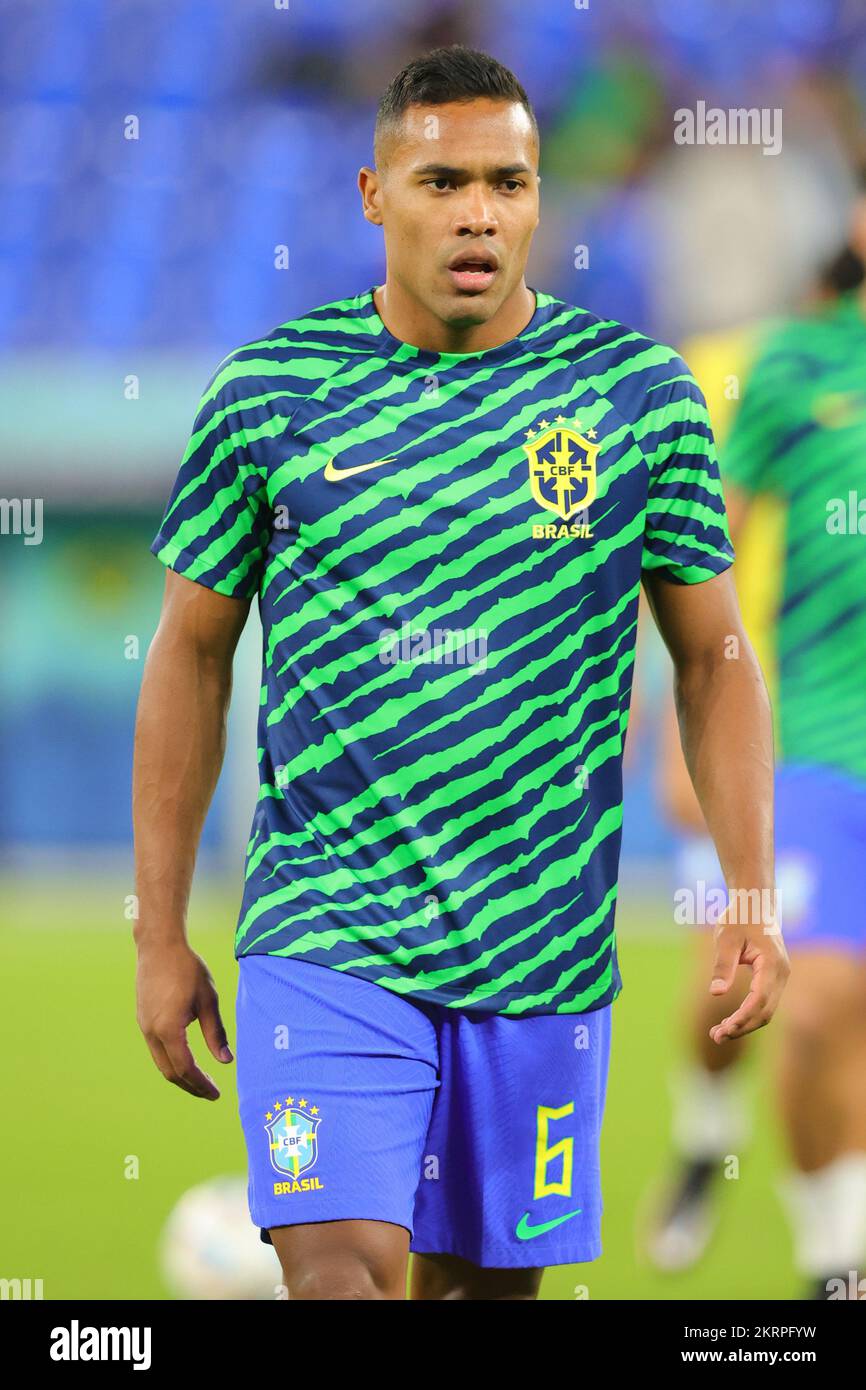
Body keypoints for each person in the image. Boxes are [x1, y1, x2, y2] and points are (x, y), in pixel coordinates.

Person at [133, 45, 788, 1301]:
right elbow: (189, 657)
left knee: (468, 1294)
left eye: (507, 181)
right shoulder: (271, 395)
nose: (477, 211)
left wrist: (745, 891)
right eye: (440, 182)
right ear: (374, 192)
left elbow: (710, 657)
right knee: (341, 1276)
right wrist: (160, 934)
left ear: (540, 197)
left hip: (538, 957)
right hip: (326, 935)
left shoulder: (636, 401)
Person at [647, 220, 866, 1297]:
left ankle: (833, 1261)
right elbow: (697, 568)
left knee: (842, 1015)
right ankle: (704, 1130)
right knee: (787, 995)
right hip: (811, 740)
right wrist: (683, 735)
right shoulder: (791, 366)